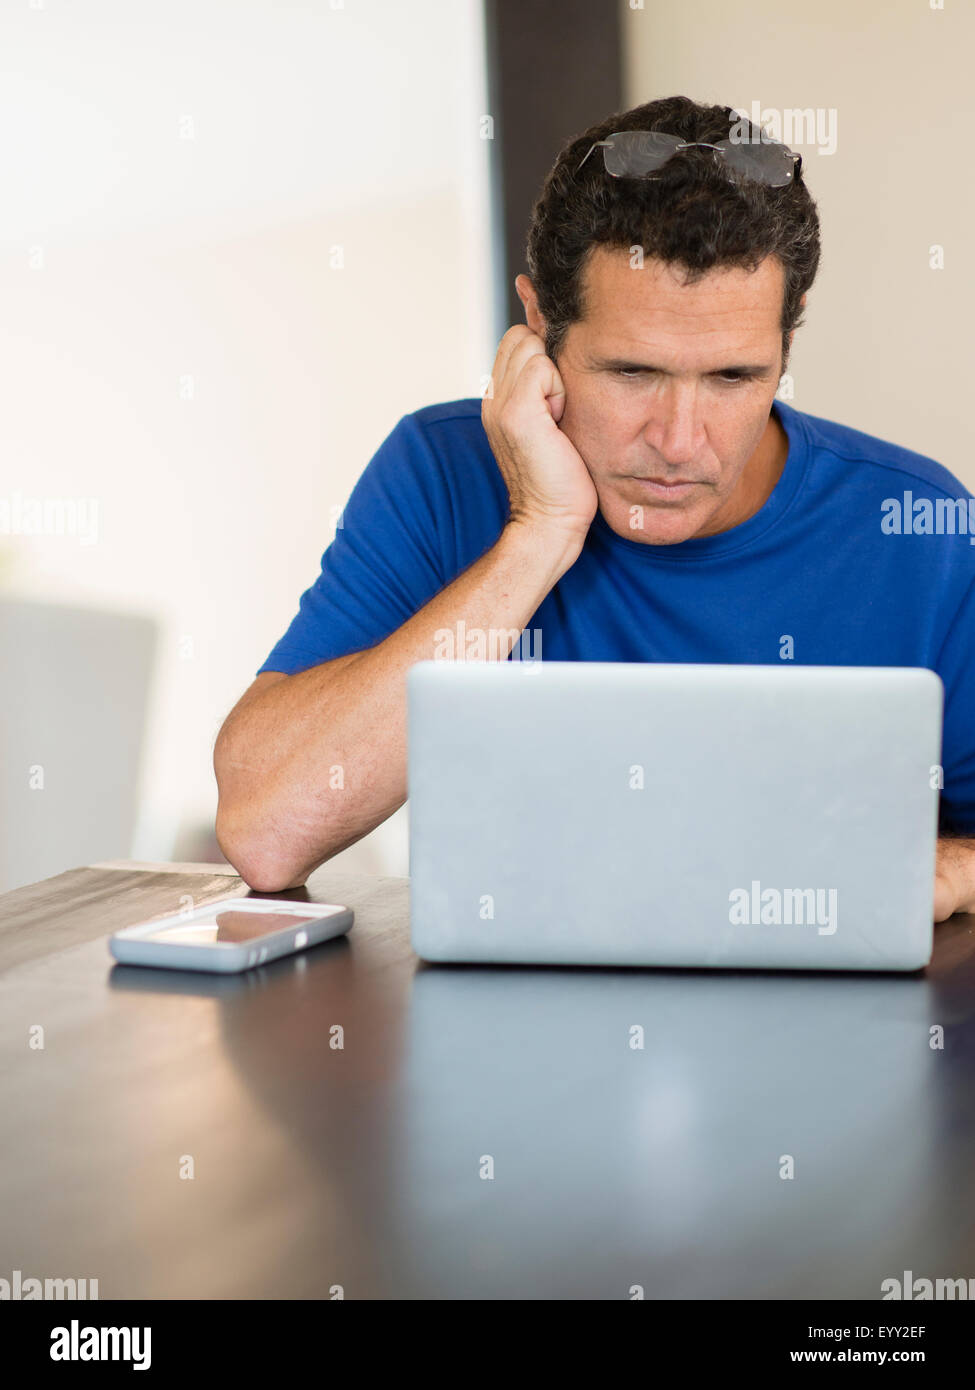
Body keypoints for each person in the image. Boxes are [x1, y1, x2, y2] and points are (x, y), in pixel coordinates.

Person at [213, 94, 975, 918]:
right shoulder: (438, 471)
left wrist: (957, 869)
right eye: (631, 373)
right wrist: (538, 533)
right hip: (503, 1030)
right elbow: (268, 831)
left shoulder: (918, 529)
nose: (681, 441)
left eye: (732, 378)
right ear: (538, 321)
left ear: (788, 338)